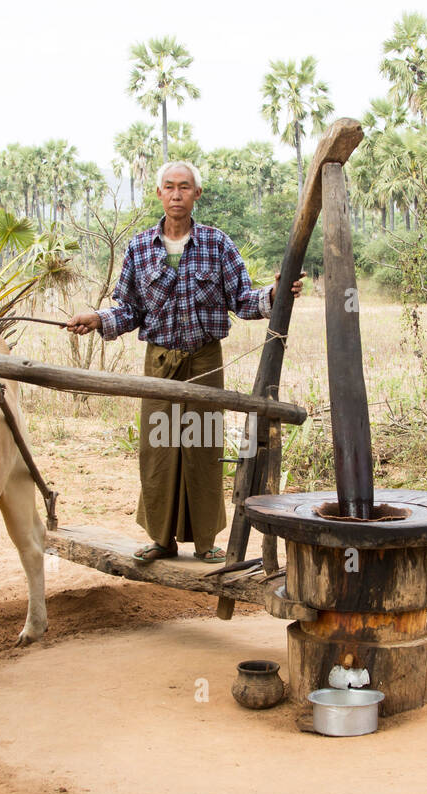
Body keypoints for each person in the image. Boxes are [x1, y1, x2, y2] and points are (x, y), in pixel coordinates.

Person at [67, 159, 302, 563]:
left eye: (185, 187)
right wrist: (98, 319)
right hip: (158, 363)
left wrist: (275, 292)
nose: (177, 195)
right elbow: (129, 309)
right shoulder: (140, 248)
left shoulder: (217, 244)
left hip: (204, 362)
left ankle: (208, 542)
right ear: (159, 194)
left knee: (201, 445)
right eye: (170, 187)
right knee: (160, 449)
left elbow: (242, 300)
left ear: (197, 194)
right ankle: (161, 540)